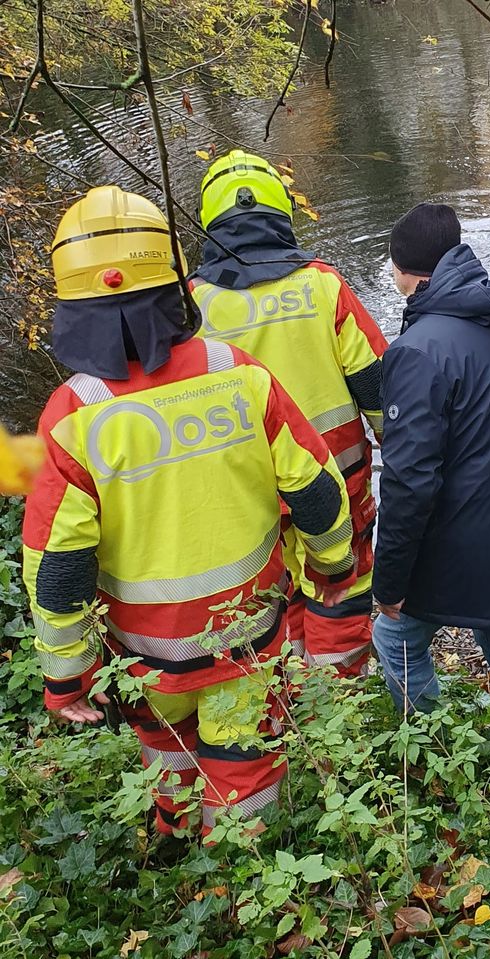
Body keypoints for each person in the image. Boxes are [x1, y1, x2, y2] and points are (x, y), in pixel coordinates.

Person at [22, 186, 356, 836]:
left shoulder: (72, 416)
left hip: (143, 659)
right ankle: (248, 884)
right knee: (245, 771)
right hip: (249, 641)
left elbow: (57, 570)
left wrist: (67, 678)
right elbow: (317, 490)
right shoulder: (240, 374)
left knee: (167, 761)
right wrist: (334, 567)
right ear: (173, 282)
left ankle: (176, 851)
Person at [189, 150, 388, 678]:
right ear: (281, 213)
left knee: (268, 598)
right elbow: (377, 386)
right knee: (340, 586)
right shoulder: (323, 285)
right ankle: (339, 702)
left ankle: (290, 695)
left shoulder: (190, 306)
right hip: (338, 479)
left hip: (245, 494)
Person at [372, 203, 490, 714]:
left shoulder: (417, 350)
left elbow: (409, 481)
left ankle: (435, 754)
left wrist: (389, 584)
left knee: (395, 639)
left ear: (403, 270)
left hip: (457, 541)